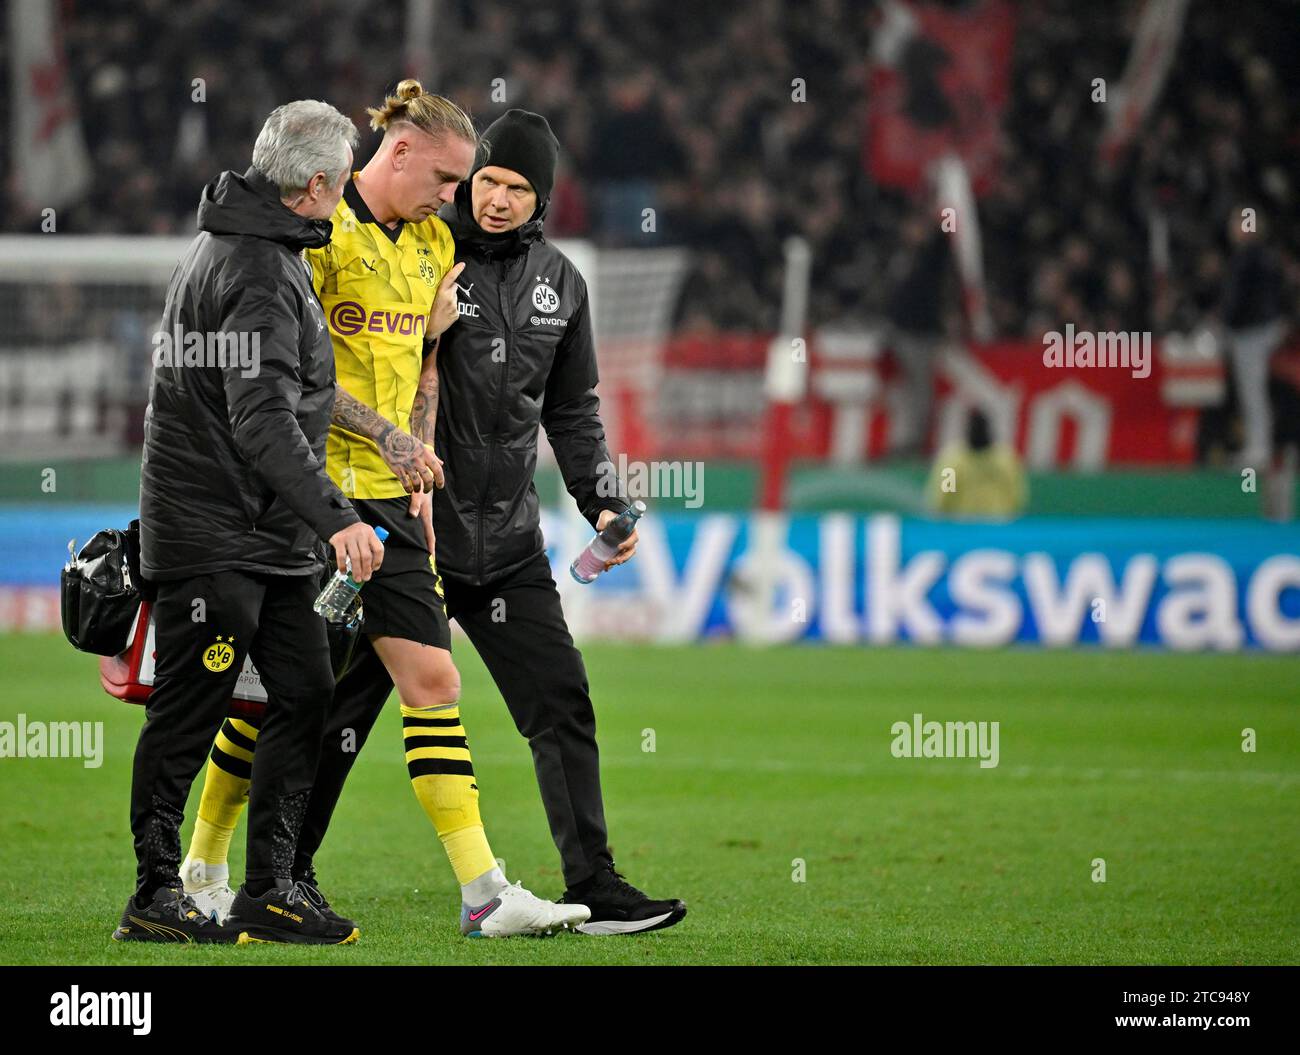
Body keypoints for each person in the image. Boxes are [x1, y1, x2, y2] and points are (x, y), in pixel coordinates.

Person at [179, 82, 589, 938]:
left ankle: (484, 895)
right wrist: (385, 441)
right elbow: (292, 379)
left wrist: (417, 470)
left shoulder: (438, 242)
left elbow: (424, 366)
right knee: (274, 698)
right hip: (314, 500)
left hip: (394, 507)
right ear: (396, 153)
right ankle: (203, 861)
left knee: (435, 680)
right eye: (445, 179)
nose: (456, 199)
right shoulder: (318, 238)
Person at [119, 100, 384, 945]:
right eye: (342, 187)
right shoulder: (260, 270)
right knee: (189, 714)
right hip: (216, 538)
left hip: (262, 540)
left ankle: (269, 888)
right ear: (314, 186)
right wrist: (338, 517)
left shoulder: (239, 248)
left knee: (306, 691)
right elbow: (262, 420)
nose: (344, 201)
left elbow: (284, 401)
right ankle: (155, 892)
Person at [430, 109, 685, 933]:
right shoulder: (422, 255)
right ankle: (281, 880)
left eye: (518, 188)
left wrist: (605, 501)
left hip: (508, 546)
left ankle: (596, 885)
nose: (498, 199)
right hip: (414, 539)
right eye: (489, 181)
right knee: (338, 711)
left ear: (542, 198)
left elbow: (572, 412)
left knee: (563, 704)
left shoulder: (562, 284)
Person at [1222, 209, 1288, 469]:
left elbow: (1239, 300)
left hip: (1252, 332)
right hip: (1260, 328)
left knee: (1253, 392)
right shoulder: (1265, 256)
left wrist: (1228, 324)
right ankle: (1259, 447)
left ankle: (1260, 449)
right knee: (1254, 392)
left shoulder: (1248, 257)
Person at [925, 408, 1027, 518]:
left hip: (963, 528)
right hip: (994, 527)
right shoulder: (1006, 460)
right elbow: (1017, 497)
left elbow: (941, 499)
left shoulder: (953, 461)